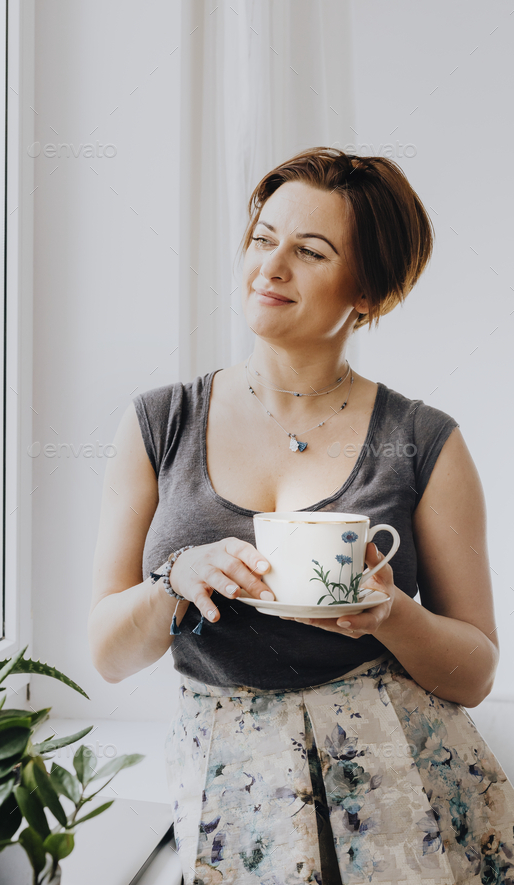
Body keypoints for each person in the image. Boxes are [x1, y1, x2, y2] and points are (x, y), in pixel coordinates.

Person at [88, 148, 514, 884]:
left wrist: (388, 615)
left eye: (310, 250)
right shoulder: (159, 422)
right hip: (230, 790)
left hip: (401, 785)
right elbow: (109, 653)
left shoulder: (422, 441)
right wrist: (175, 580)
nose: (271, 265)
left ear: (369, 294)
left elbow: (475, 670)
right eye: (263, 238)